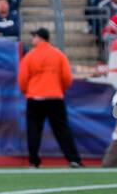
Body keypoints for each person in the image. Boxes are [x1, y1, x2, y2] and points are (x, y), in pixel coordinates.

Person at [18, 27, 83, 167]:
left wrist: (28, 91)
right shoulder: (58, 55)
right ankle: (73, 159)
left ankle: (34, 161)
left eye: (34, 36)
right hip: (55, 97)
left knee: (33, 130)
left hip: (35, 98)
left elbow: (22, 79)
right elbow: (67, 77)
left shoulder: (30, 56)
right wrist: (59, 89)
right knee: (62, 130)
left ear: (40, 38)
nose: (32, 39)